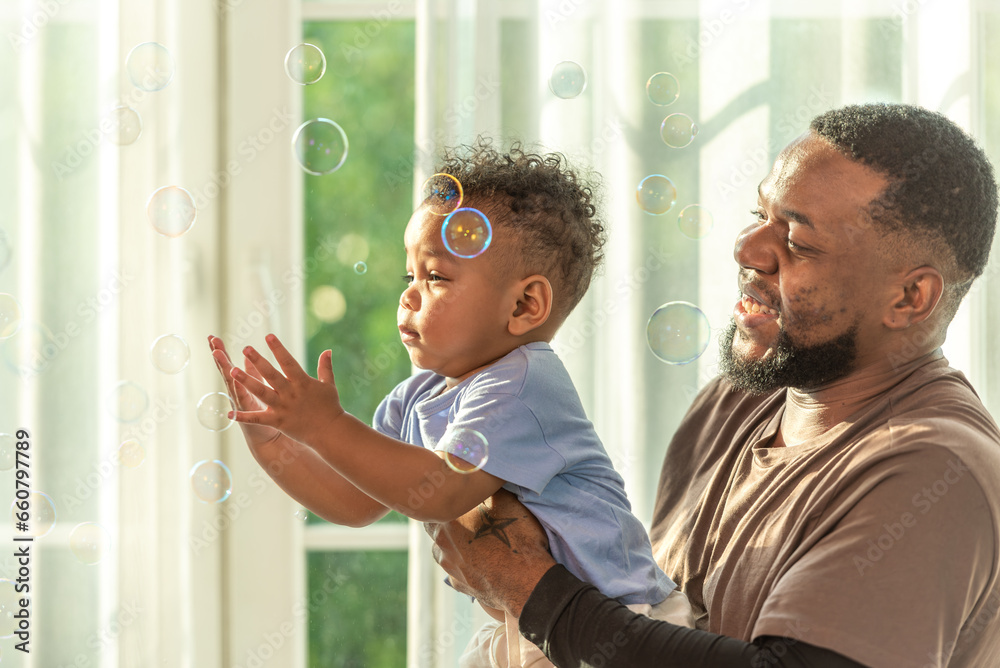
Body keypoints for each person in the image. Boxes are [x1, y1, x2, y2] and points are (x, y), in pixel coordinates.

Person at [425, 102, 1000, 667]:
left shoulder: (934, 471)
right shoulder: (737, 401)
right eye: (759, 214)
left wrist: (530, 587)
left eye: (798, 242)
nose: (747, 248)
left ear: (909, 297)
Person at [208, 140, 694, 668]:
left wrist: (326, 425)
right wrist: (274, 442)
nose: (408, 295)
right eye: (409, 276)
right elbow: (355, 502)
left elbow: (441, 489)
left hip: (622, 624)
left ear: (524, 305)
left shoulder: (524, 384)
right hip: (528, 623)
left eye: (435, 277)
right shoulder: (417, 395)